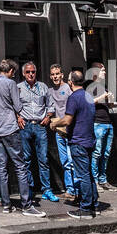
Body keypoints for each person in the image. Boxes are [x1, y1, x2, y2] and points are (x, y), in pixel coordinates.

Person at [0, 58, 43, 216]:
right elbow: (18, 106)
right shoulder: (11, 84)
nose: (13, 75)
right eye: (13, 73)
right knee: (20, 166)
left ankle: (6, 204)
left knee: (2, 168)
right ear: (10, 71)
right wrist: (10, 109)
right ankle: (26, 205)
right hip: (10, 128)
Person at [55, 67, 97, 219]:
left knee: (83, 175)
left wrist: (54, 124)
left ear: (70, 82)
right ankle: (93, 204)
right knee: (89, 174)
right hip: (89, 140)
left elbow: (67, 119)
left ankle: (86, 208)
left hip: (78, 141)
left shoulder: (74, 97)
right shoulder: (88, 96)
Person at [18, 62, 59, 202]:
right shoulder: (18, 88)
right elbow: (13, 106)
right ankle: (28, 190)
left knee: (43, 159)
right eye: (28, 72)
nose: (31, 74)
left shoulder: (43, 87)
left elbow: (51, 105)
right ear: (23, 73)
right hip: (25, 126)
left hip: (40, 126)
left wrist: (48, 117)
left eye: (33, 72)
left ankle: (47, 190)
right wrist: (18, 117)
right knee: (26, 160)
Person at [45, 63, 76, 201]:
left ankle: (76, 189)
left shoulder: (68, 89)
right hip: (58, 130)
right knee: (64, 161)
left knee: (72, 160)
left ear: (62, 74)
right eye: (53, 74)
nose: (55, 76)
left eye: (57, 74)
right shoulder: (50, 91)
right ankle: (69, 190)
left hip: (70, 129)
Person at [86, 59, 116, 191]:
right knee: (96, 153)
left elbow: (110, 105)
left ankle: (103, 180)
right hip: (96, 123)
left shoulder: (104, 86)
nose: (105, 72)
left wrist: (111, 100)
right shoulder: (89, 86)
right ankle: (95, 181)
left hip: (108, 123)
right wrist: (101, 98)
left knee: (106, 154)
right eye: (103, 70)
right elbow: (87, 103)